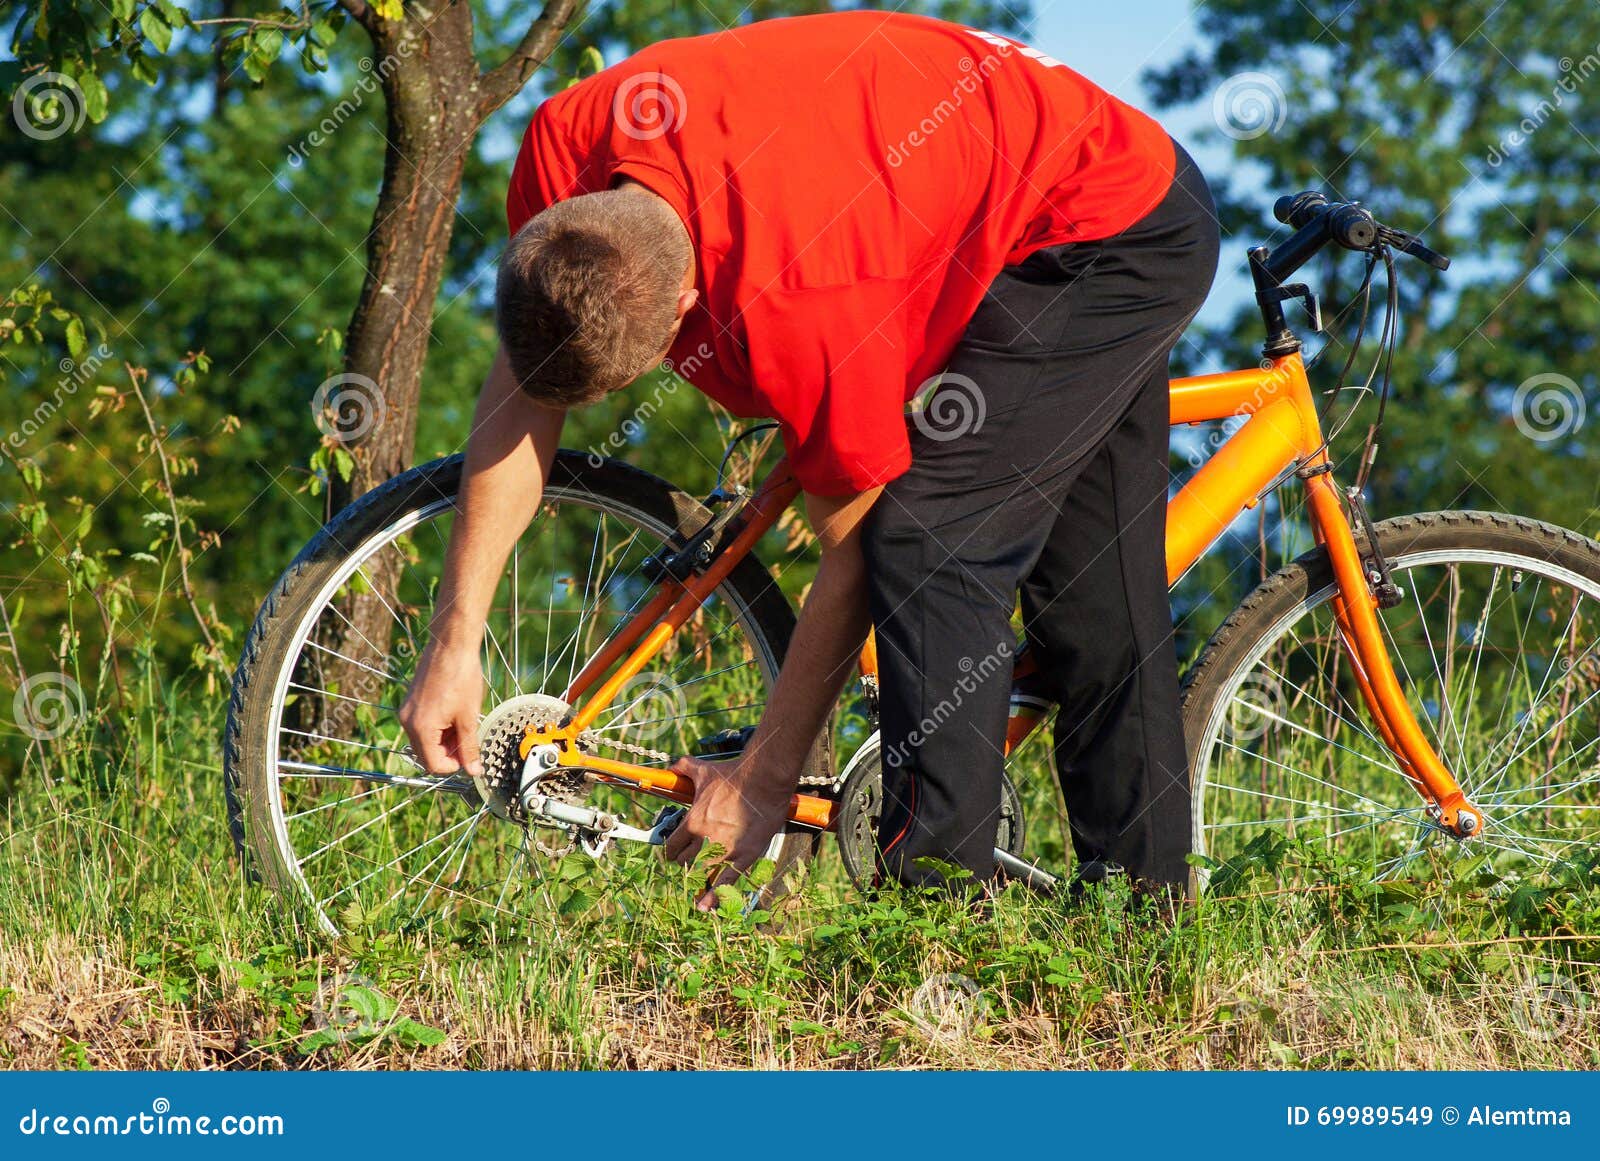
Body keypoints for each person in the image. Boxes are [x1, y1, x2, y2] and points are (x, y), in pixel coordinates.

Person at [398, 11, 1219, 905]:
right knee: (1091, 602)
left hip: (1105, 226)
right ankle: (1146, 921)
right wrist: (454, 639)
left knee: (933, 541)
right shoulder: (563, 150)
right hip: (993, 158)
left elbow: (860, 543)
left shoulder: (804, 294)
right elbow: (522, 396)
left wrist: (763, 772)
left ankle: (932, 924)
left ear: (685, 312)